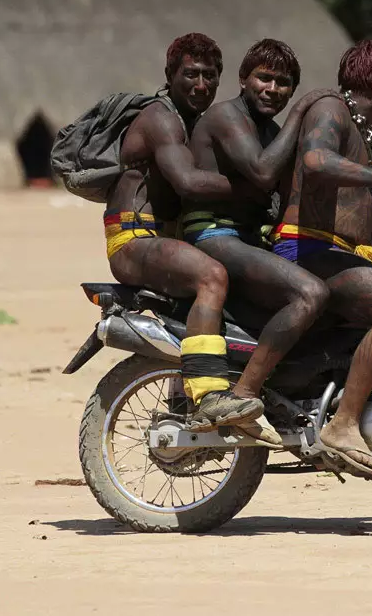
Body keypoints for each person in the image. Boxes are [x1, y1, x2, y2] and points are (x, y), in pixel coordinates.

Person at [270, 38, 372, 477]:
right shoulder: (331, 109)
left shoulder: (358, 127)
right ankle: (343, 426)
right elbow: (318, 161)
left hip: (334, 249)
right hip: (307, 248)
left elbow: (352, 206)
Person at [107, 32, 263, 433]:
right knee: (211, 276)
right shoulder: (161, 118)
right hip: (134, 240)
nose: (201, 85)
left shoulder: (195, 122)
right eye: (190, 74)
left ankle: (182, 400)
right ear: (169, 74)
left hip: (170, 241)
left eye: (210, 76)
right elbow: (188, 184)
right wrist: (260, 187)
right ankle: (209, 394)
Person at [186, 39, 336, 412]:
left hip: (250, 240)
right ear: (242, 78)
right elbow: (263, 171)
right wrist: (301, 110)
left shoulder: (270, 132)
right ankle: (244, 394)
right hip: (213, 234)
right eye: (264, 78)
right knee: (310, 294)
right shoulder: (225, 117)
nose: (273, 89)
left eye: (284, 83)